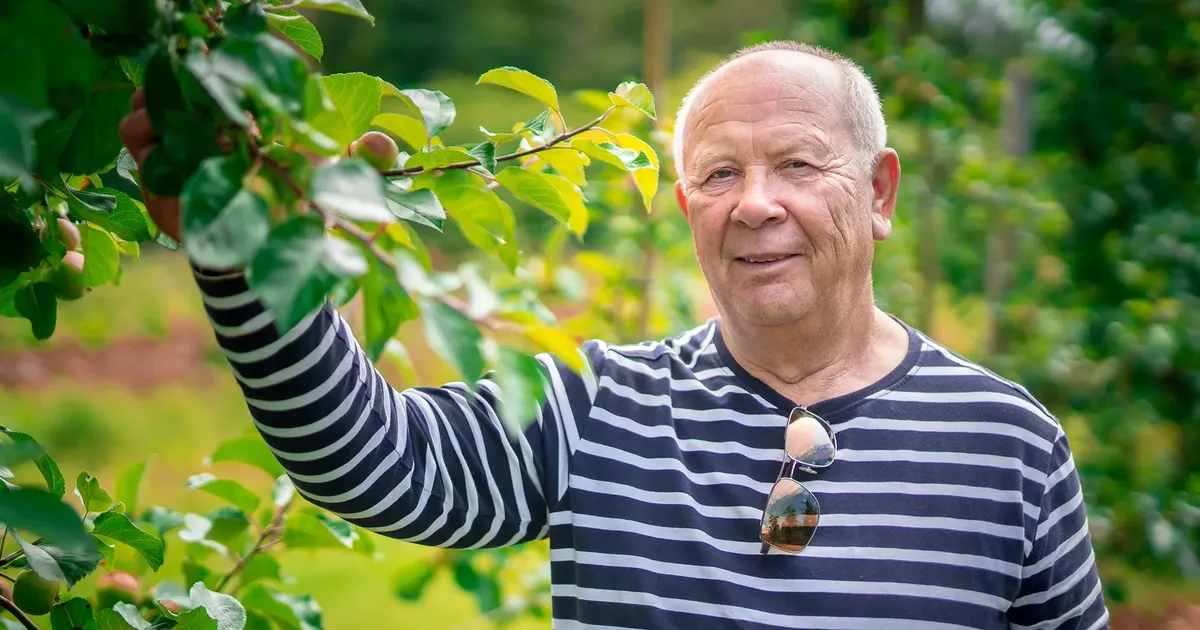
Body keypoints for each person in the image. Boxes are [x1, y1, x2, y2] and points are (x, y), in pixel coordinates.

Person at [118, 40, 1110, 629]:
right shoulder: (597, 408)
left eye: (799, 165)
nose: (756, 204)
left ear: (881, 192)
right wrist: (245, 258)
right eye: (720, 175)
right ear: (686, 207)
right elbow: (368, 460)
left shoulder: (1007, 442)